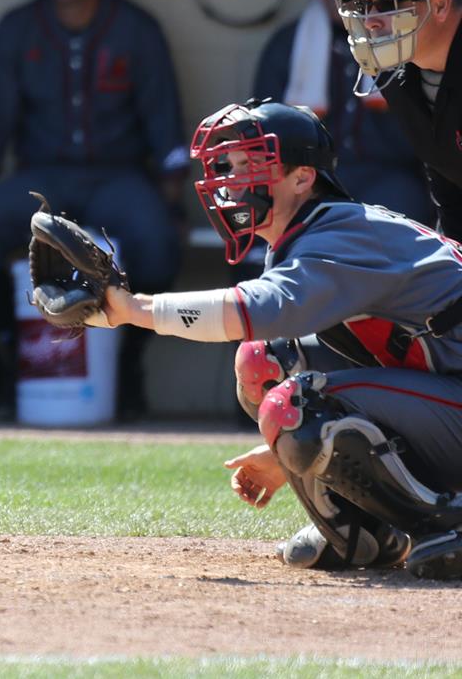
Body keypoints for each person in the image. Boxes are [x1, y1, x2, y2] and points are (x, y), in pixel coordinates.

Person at [45, 99, 462, 579]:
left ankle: (445, 527)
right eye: (230, 165)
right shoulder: (310, 233)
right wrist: (284, 456)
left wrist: (134, 310)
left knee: (294, 405)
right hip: (443, 389)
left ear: (302, 178)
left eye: (252, 165)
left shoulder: (343, 233)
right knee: (265, 360)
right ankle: (360, 534)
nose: (234, 179)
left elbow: (257, 308)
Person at [0, 0, 190, 416]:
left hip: (117, 175)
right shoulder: (18, 29)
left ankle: (126, 363)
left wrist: (171, 198)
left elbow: (164, 119)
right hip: (42, 178)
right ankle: (17, 353)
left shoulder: (135, 29)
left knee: (157, 240)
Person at [254, 0, 434, 227]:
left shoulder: (405, 40)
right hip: (311, 178)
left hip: (389, 175)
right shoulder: (288, 43)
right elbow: (262, 126)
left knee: (405, 233)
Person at [330, 0, 462, 228]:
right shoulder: (398, 76)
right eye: (362, 6)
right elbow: (448, 180)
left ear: (440, 5)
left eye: (386, 3)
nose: (372, 21)